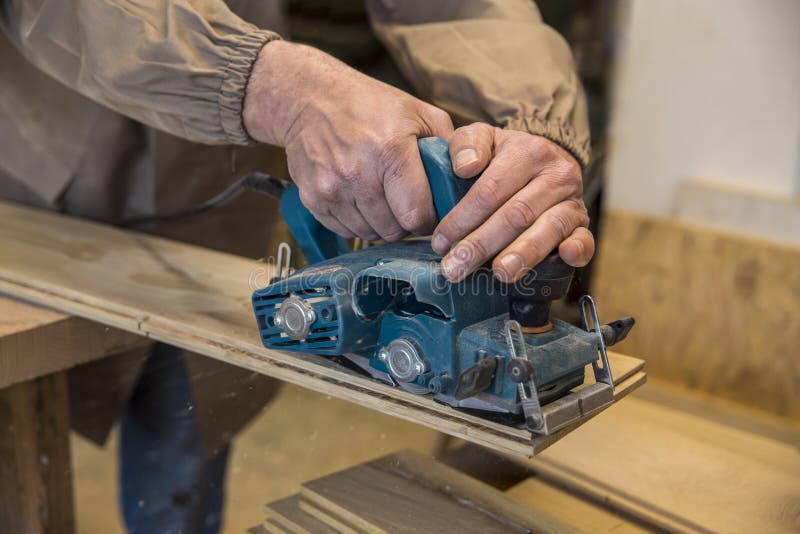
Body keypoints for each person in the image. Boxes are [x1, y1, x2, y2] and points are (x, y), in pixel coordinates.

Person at [0, 0, 594, 531]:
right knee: (20, 443)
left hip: (218, 170)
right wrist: (276, 87)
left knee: (186, 438)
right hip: (45, 181)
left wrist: (533, 136)